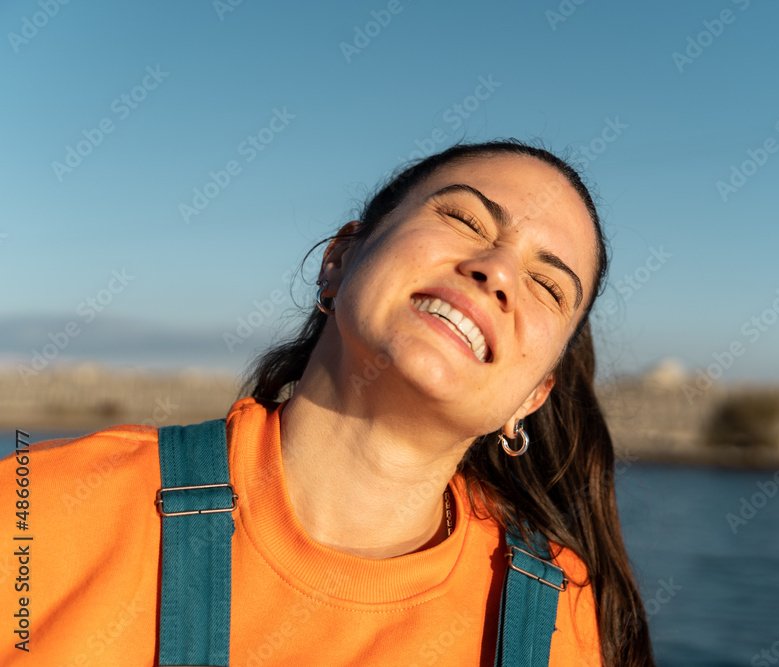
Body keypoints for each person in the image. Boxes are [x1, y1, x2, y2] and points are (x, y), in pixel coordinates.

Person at [1, 139, 655, 666]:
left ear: (532, 397)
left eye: (547, 285)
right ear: (340, 259)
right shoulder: (41, 509)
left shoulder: (562, 623)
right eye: (464, 219)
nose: (498, 271)